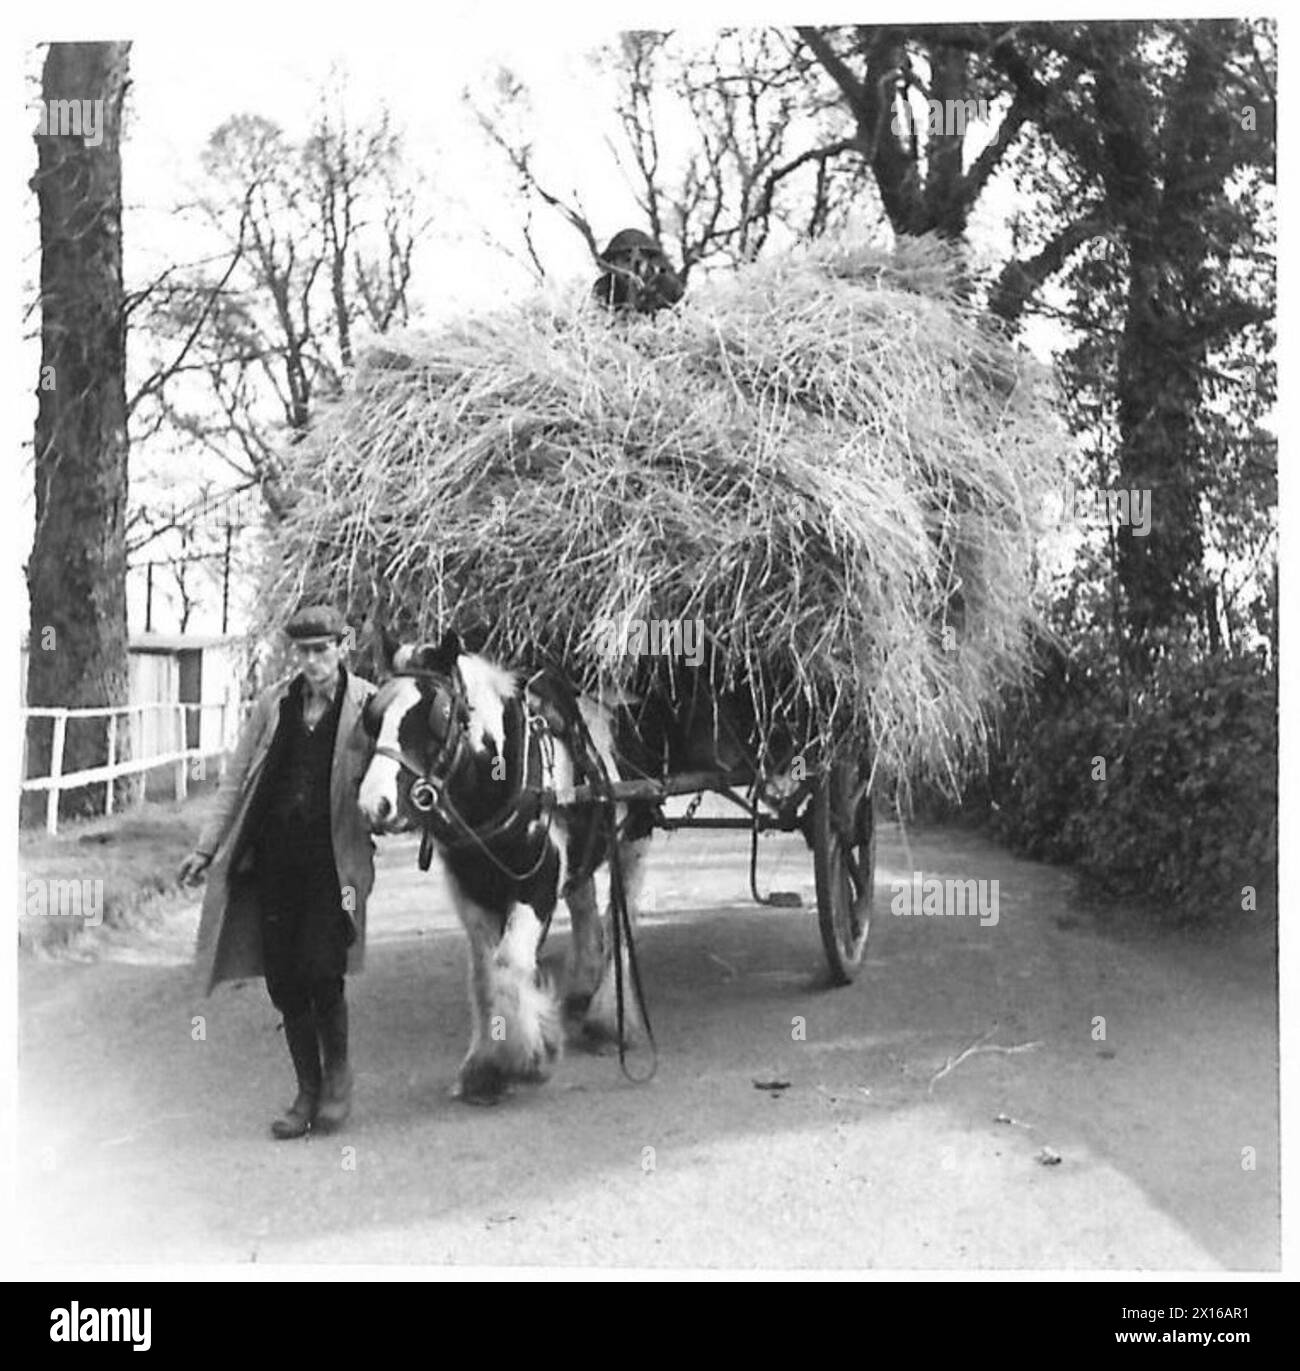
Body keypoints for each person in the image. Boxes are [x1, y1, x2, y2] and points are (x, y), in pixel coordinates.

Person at [179, 605, 377, 1140]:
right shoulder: (275, 705)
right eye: (304, 652)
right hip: (273, 860)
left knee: (322, 968)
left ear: (342, 647)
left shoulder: (366, 706)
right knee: (286, 980)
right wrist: (206, 847)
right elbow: (236, 778)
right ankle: (305, 1090)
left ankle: (337, 1080)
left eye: (322, 650)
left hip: (331, 864)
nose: (312, 663)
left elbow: (391, 774)